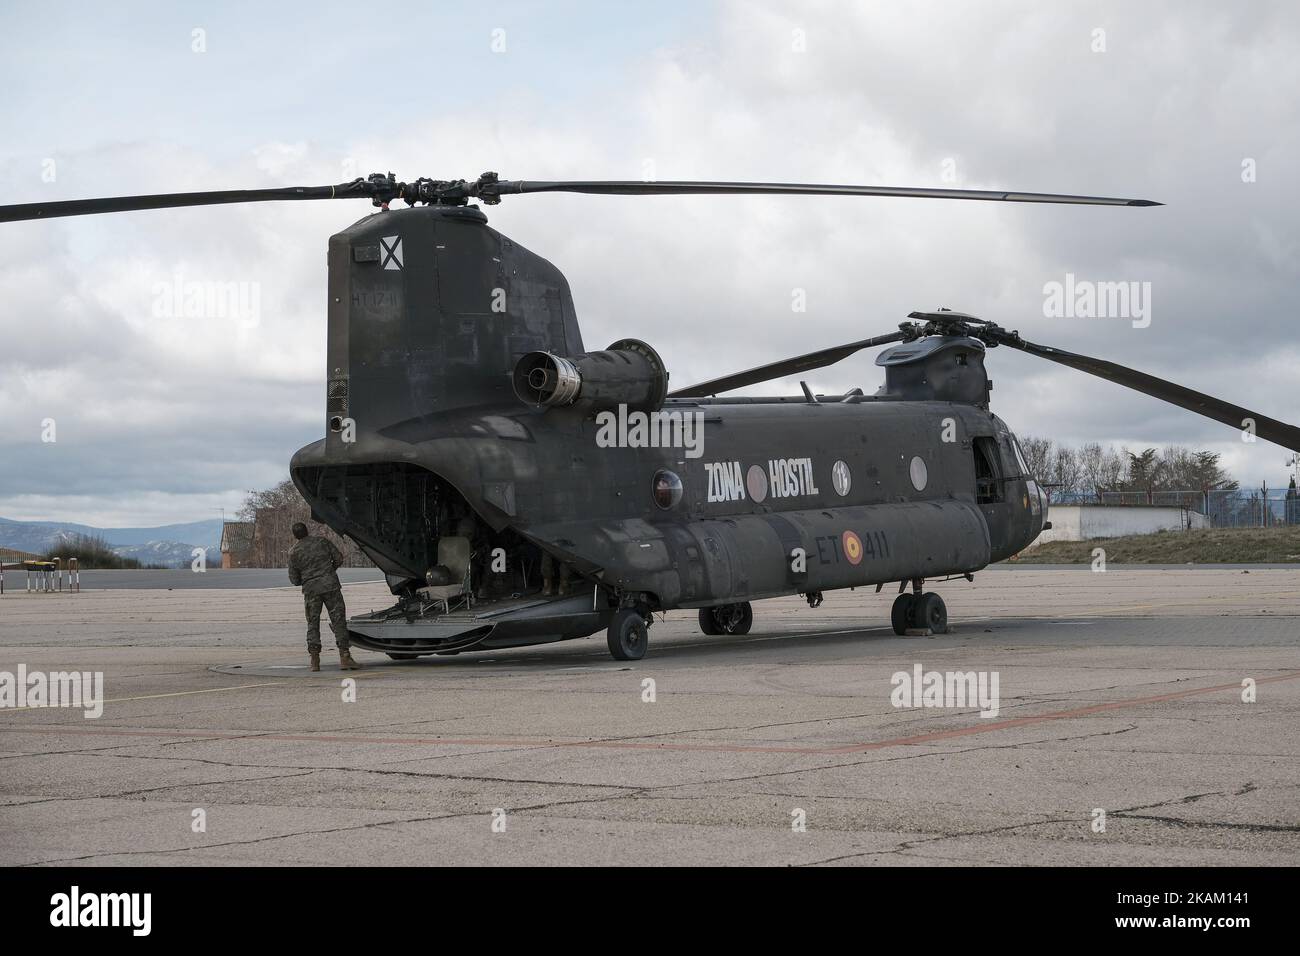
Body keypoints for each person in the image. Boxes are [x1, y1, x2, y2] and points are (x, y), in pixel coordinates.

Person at [287, 522, 361, 671]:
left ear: (295, 535)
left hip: (311, 590)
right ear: (307, 531)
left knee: (312, 623)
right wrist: (328, 572)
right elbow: (339, 558)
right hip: (330, 585)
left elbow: (294, 579)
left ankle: (315, 660)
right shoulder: (322, 541)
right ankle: (345, 656)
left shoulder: (294, 552)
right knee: (338, 620)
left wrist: (308, 578)